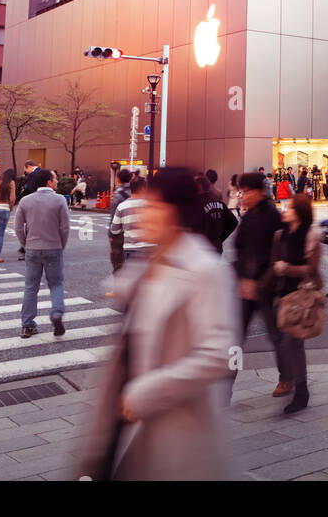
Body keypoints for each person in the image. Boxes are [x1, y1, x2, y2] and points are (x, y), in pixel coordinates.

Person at [77, 166, 236, 480]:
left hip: (173, 427)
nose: (145, 213)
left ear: (174, 212)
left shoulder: (204, 269)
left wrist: (146, 393)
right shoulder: (152, 261)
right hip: (122, 414)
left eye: (154, 206)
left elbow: (218, 355)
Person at [233, 171, 288, 396]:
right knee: (236, 336)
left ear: (256, 192)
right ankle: (226, 383)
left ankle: (287, 378)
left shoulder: (272, 216)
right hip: (247, 286)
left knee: (276, 335)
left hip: (267, 287)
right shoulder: (249, 215)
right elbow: (240, 247)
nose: (241, 196)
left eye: (244, 192)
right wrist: (242, 278)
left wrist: (260, 281)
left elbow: (276, 255)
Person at [269, 191, 322, 415]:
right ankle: (295, 385)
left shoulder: (311, 237)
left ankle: (301, 391)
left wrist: (286, 268)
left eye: (289, 208)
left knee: (293, 343)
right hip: (281, 294)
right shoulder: (280, 236)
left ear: (299, 213)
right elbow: (273, 264)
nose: (284, 210)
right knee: (286, 342)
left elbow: (311, 268)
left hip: (301, 295)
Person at [15, 169, 70, 339]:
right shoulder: (59, 199)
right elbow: (65, 227)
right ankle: (56, 313)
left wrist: (26, 244)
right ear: (48, 182)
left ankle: (27, 325)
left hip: (32, 248)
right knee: (56, 284)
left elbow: (18, 227)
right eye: (54, 179)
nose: (57, 182)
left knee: (31, 287)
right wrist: (61, 244)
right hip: (53, 247)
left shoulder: (25, 201)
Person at [198, 170, 238, 253]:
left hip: (205, 248)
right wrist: (220, 238)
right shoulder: (218, 195)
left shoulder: (198, 203)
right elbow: (233, 222)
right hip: (216, 244)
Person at [18, 161, 49, 261]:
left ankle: (27, 249)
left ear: (29, 166)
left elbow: (30, 188)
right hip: (44, 203)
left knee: (30, 227)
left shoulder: (32, 175)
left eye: (25, 170)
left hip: (33, 203)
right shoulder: (44, 172)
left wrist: (24, 190)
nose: (26, 172)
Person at [108, 168, 135, 280]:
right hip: (133, 229)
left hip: (120, 232)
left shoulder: (118, 195)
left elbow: (114, 215)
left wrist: (111, 234)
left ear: (118, 179)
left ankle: (119, 286)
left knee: (117, 258)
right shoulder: (134, 191)